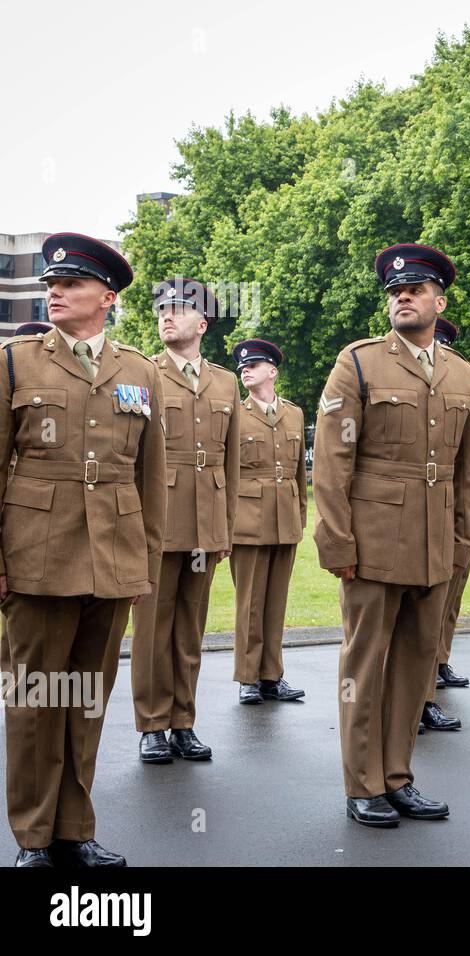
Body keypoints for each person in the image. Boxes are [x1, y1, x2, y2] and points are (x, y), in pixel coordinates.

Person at [2, 233, 164, 866]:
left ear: (107, 297)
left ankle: (75, 827)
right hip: (37, 557)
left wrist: (145, 566)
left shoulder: (139, 372)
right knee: (36, 699)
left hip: (112, 560)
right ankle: (33, 836)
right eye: (51, 283)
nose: (56, 292)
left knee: (86, 699)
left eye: (71, 284)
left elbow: (150, 478)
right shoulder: (16, 362)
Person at [314, 243, 470, 826]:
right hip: (374, 541)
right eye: (395, 291)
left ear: (440, 301)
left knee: (415, 665)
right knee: (366, 665)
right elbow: (332, 462)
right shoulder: (359, 362)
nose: (403, 298)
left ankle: (397, 776)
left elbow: (467, 465)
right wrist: (338, 542)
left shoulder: (461, 371)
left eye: (415, 290)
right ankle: (363, 783)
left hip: (436, 543)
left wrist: (465, 539)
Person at [131, 277, 240, 763]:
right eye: (162, 311)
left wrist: (226, 529)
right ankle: (153, 724)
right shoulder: (143, 373)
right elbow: (133, 458)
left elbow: (231, 464)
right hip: (158, 521)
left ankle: (183, 722)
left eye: (177, 309)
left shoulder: (225, 382)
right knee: (152, 628)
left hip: (205, 525)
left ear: (202, 324)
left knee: (190, 629)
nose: (167, 317)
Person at [229, 338, 308, 704]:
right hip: (247, 520)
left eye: (254, 365)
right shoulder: (235, 412)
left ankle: (271, 676)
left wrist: (300, 516)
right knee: (250, 603)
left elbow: (298, 472)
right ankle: (247, 678)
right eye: (243, 367)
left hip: (285, 518)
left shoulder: (294, 414)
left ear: (272, 371)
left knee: (276, 602)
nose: (245, 370)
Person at [428, 316, 470, 693]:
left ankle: (440, 659)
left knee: (451, 599)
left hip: (454, 513)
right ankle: (425, 673)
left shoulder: (462, 384)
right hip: (421, 515)